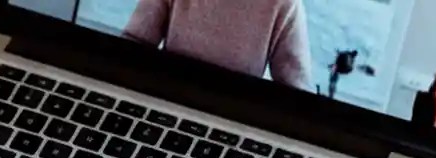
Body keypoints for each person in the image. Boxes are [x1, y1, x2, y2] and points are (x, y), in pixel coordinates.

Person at [123, 0, 314, 91]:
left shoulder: (285, 4)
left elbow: (298, 94)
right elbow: (130, 49)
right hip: (167, 98)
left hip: (236, 120)